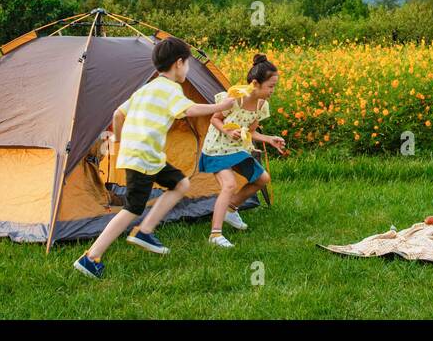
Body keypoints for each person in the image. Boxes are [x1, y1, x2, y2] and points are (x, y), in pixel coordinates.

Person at [73, 37, 235, 278]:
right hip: (144, 155)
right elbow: (190, 110)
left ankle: (144, 231)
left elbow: (118, 114)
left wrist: (118, 140)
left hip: (141, 154)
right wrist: (219, 107)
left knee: (181, 183)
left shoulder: (146, 88)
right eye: (188, 64)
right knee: (132, 208)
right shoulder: (171, 89)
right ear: (179, 63)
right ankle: (91, 257)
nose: (187, 68)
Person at [198, 53, 287, 249]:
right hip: (216, 149)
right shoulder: (235, 97)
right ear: (255, 83)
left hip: (237, 149)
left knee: (262, 178)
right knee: (228, 184)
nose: (273, 90)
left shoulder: (262, 105)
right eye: (270, 86)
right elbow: (214, 119)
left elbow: (252, 132)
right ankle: (215, 234)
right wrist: (229, 132)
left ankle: (231, 208)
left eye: (274, 86)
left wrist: (270, 139)